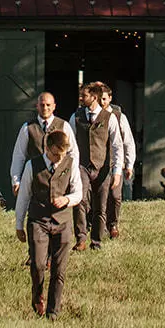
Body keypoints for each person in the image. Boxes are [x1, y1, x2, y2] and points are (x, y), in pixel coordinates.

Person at [14, 129, 82, 319]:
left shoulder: (71, 164)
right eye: (55, 155)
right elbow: (24, 196)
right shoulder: (32, 165)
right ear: (47, 148)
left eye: (62, 155)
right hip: (38, 221)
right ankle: (37, 296)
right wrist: (19, 224)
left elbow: (78, 193)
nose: (59, 159)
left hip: (63, 222)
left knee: (59, 269)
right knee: (37, 265)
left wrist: (67, 200)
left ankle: (53, 311)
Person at [69, 82, 123, 250]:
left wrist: (117, 171)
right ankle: (81, 238)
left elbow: (117, 145)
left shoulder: (109, 117)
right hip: (82, 166)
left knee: (100, 206)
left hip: (102, 167)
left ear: (94, 97)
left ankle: (97, 241)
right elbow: (69, 143)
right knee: (80, 200)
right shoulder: (76, 117)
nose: (80, 98)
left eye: (84, 95)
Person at [9, 92, 78, 197]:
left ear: (54, 106)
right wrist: (16, 181)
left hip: (60, 181)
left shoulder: (64, 126)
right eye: (42, 105)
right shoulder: (27, 128)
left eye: (48, 105)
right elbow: (19, 155)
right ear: (37, 106)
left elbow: (73, 153)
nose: (45, 108)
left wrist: (71, 176)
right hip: (36, 180)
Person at [98, 86, 135, 239]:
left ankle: (113, 223)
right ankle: (99, 226)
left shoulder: (119, 117)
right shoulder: (91, 116)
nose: (101, 102)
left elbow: (128, 141)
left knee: (115, 195)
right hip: (97, 163)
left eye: (104, 99)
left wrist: (129, 164)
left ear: (110, 99)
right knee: (99, 197)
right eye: (99, 99)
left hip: (115, 163)